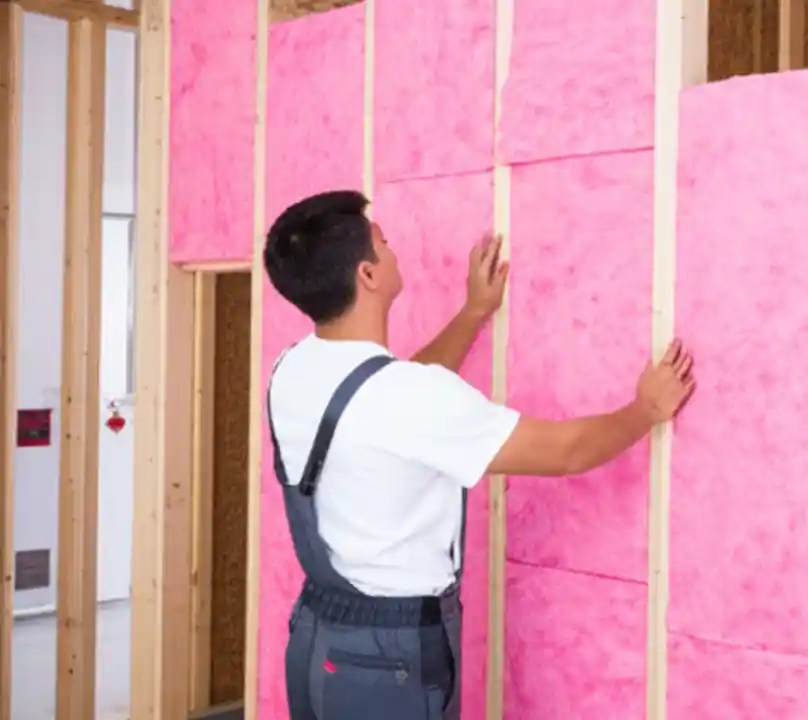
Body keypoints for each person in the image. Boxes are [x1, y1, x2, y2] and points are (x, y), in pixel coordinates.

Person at [263, 190, 695, 720]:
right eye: (385, 242)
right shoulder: (406, 399)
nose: (395, 249)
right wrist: (645, 410)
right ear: (368, 275)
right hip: (387, 656)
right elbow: (567, 452)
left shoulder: (294, 368)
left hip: (317, 640)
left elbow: (386, 393)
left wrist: (472, 313)